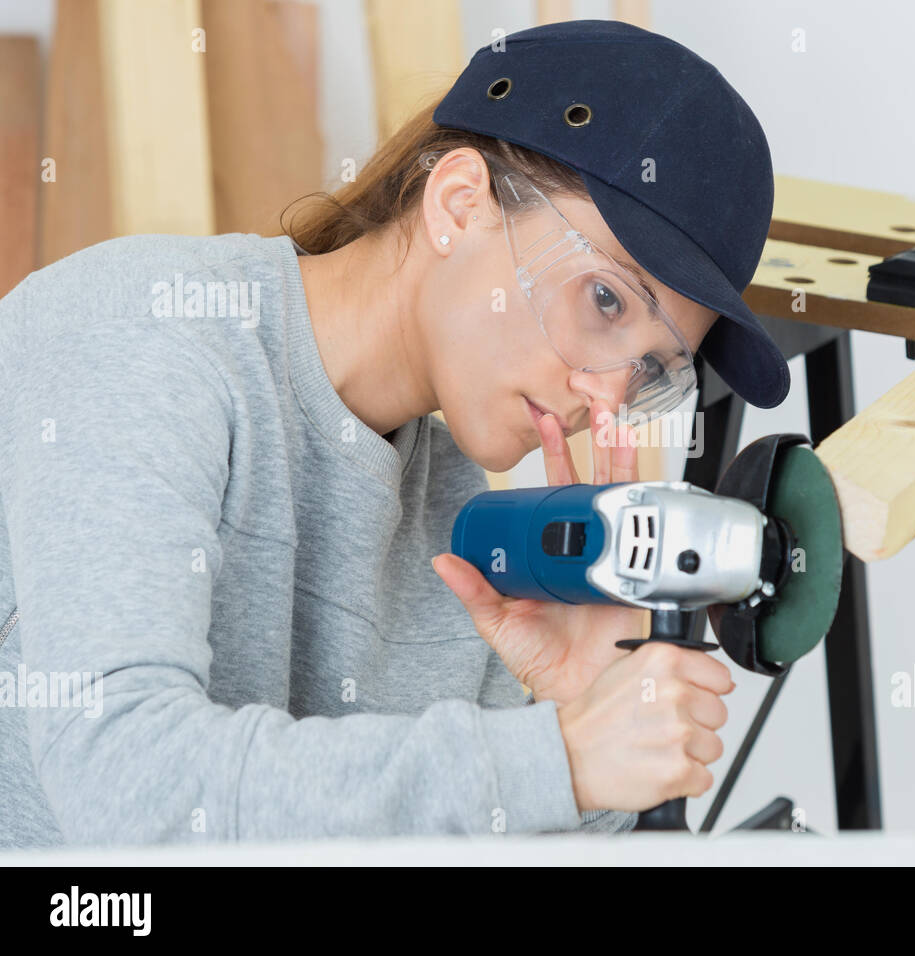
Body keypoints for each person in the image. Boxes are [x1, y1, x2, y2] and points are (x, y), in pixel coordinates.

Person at [0, 19, 790, 847]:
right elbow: (125, 784)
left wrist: (573, 714)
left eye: (651, 372)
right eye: (604, 301)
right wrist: (556, 757)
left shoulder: (452, 518)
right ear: (459, 204)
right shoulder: (145, 335)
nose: (605, 394)